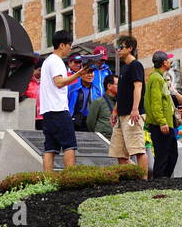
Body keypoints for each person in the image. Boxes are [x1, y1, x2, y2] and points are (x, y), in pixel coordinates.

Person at [39, 30, 90, 172]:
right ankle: (71, 178)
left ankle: (48, 180)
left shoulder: (48, 61)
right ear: (62, 45)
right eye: (69, 45)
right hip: (58, 110)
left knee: (50, 148)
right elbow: (59, 82)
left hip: (48, 111)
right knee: (69, 145)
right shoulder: (56, 61)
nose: (70, 48)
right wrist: (79, 74)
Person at [108, 35, 149, 176]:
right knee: (120, 153)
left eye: (121, 47)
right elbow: (122, 93)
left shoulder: (135, 65)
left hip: (133, 114)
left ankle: (143, 179)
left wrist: (135, 108)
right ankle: (132, 177)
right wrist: (115, 110)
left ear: (130, 48)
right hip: (121, 114)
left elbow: (138, 87)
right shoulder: (124, 68)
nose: (118, 50)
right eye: (117, 48)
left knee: (137, 149)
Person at [144, 51, 178, 178]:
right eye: (168, 60)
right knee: (163, 155)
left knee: (171, 154)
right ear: (164, 62)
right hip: (161, 125)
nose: (170, 62)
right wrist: (162, 122)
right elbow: (156, 103)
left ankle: (164, 181)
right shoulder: (156, 78)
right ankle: (159, 182)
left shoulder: (159, 77)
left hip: (167, 123)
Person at [87, 74, 118, 141]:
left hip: (116, 139)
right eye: (117, 84)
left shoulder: (119, 102)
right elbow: (90, 122)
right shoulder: (98, 102)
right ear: (109, 86)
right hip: (102, 139)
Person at [25, 62, 43, 131]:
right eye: (39, 70)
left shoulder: (46, 82)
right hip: (29, 114)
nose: (41, 72)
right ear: (34, 70)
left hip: (42, 116)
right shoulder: (26, 81)